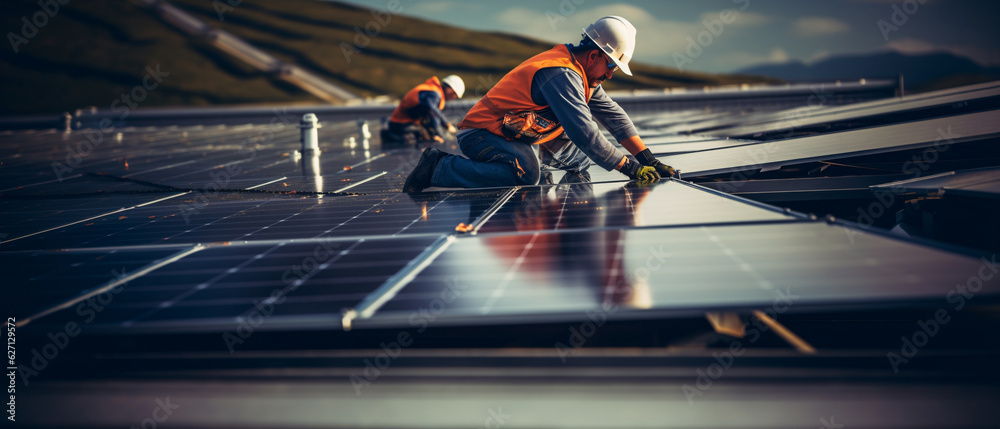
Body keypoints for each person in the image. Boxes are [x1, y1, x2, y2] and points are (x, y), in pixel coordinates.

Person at [403, 16, 675, 193]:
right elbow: (585, 133)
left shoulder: (582, 74)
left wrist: (648, 160)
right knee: (526, 173)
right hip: (482, 133)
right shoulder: (561, 74)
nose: (609, 74)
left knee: (579, 162)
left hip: (515, 133)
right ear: (594, 56)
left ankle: (561, 201)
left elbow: (613, 116)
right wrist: (630, 167)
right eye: (611, 66)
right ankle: (437, 166)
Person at [382, 74, 465, 145]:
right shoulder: (433, 93)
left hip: (409, 121)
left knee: (427, 134)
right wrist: (444, 128)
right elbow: (432, 111)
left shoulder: (433, 91)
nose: (454, 98)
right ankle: (388, 134)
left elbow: (431, 114)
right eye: (455, 95)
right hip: (401, 123)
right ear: (451, 90)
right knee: (416, 138)